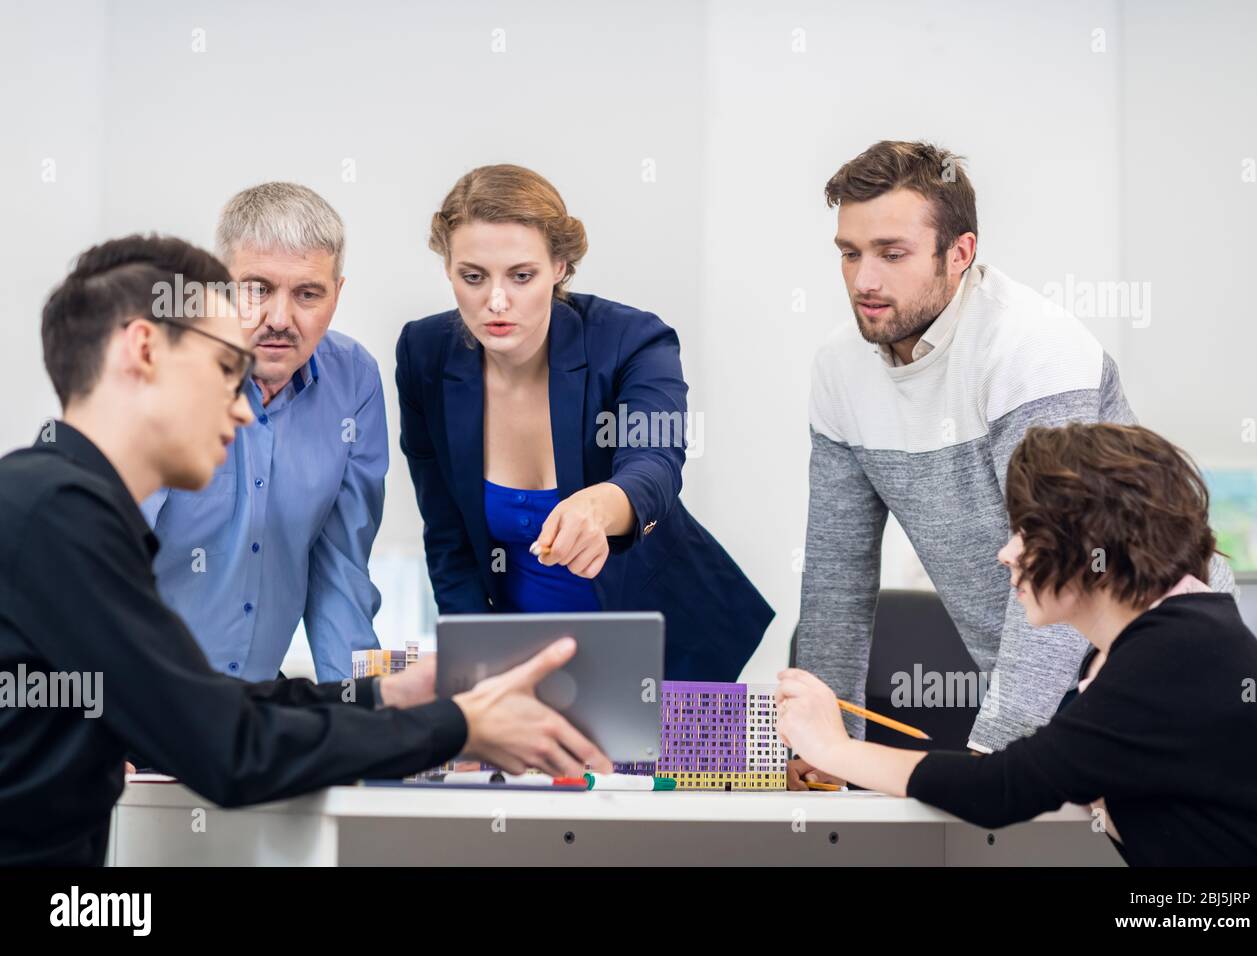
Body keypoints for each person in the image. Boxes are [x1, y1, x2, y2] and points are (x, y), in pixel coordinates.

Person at [0, 235, 610, 866]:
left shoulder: (56, 506)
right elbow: (228, 747)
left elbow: (212, 702)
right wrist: (458, 727)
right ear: (145, 350)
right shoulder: (56, 518)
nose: (242, 411)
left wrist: (387, 695)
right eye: (222, 370)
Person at [791, 140, 1233, 785]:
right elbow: (836, 576)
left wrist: (995, 755)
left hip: (1164, 669)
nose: (865, 280)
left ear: (959, 253)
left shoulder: (1032, 349)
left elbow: (1072, 559)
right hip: (1032, 686)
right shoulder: (839, 369)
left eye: (892, 254)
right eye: (850, 254)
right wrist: (825, 745)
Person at [777, 423, 1257, 867]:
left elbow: (1002, 788)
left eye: (1026, 532)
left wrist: (834, 748)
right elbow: (1053, 772)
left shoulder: (1170, 654)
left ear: (1089, 546)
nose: (1006, 553)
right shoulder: (1171, 634)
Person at [396, 164, 772, 681]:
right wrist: (478, 669)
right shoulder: (424, 354)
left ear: (560, 266)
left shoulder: (633, 340)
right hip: (524, 661)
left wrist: (599, 507)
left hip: (666, 650)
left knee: (661, 767)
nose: (496, 302)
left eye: (522, 276)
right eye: (473, 276)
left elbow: (655, 463)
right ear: (448, 270)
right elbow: (446, 535)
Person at [142, 183, 386, 683]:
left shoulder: (354, 380)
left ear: (337, 294)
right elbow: (95, 568)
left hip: (248, 718)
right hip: (134, 710)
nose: (280, 319)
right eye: (257, 289)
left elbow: (341, 574)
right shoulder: (162, 375)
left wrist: (375, 726)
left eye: (307, 293)